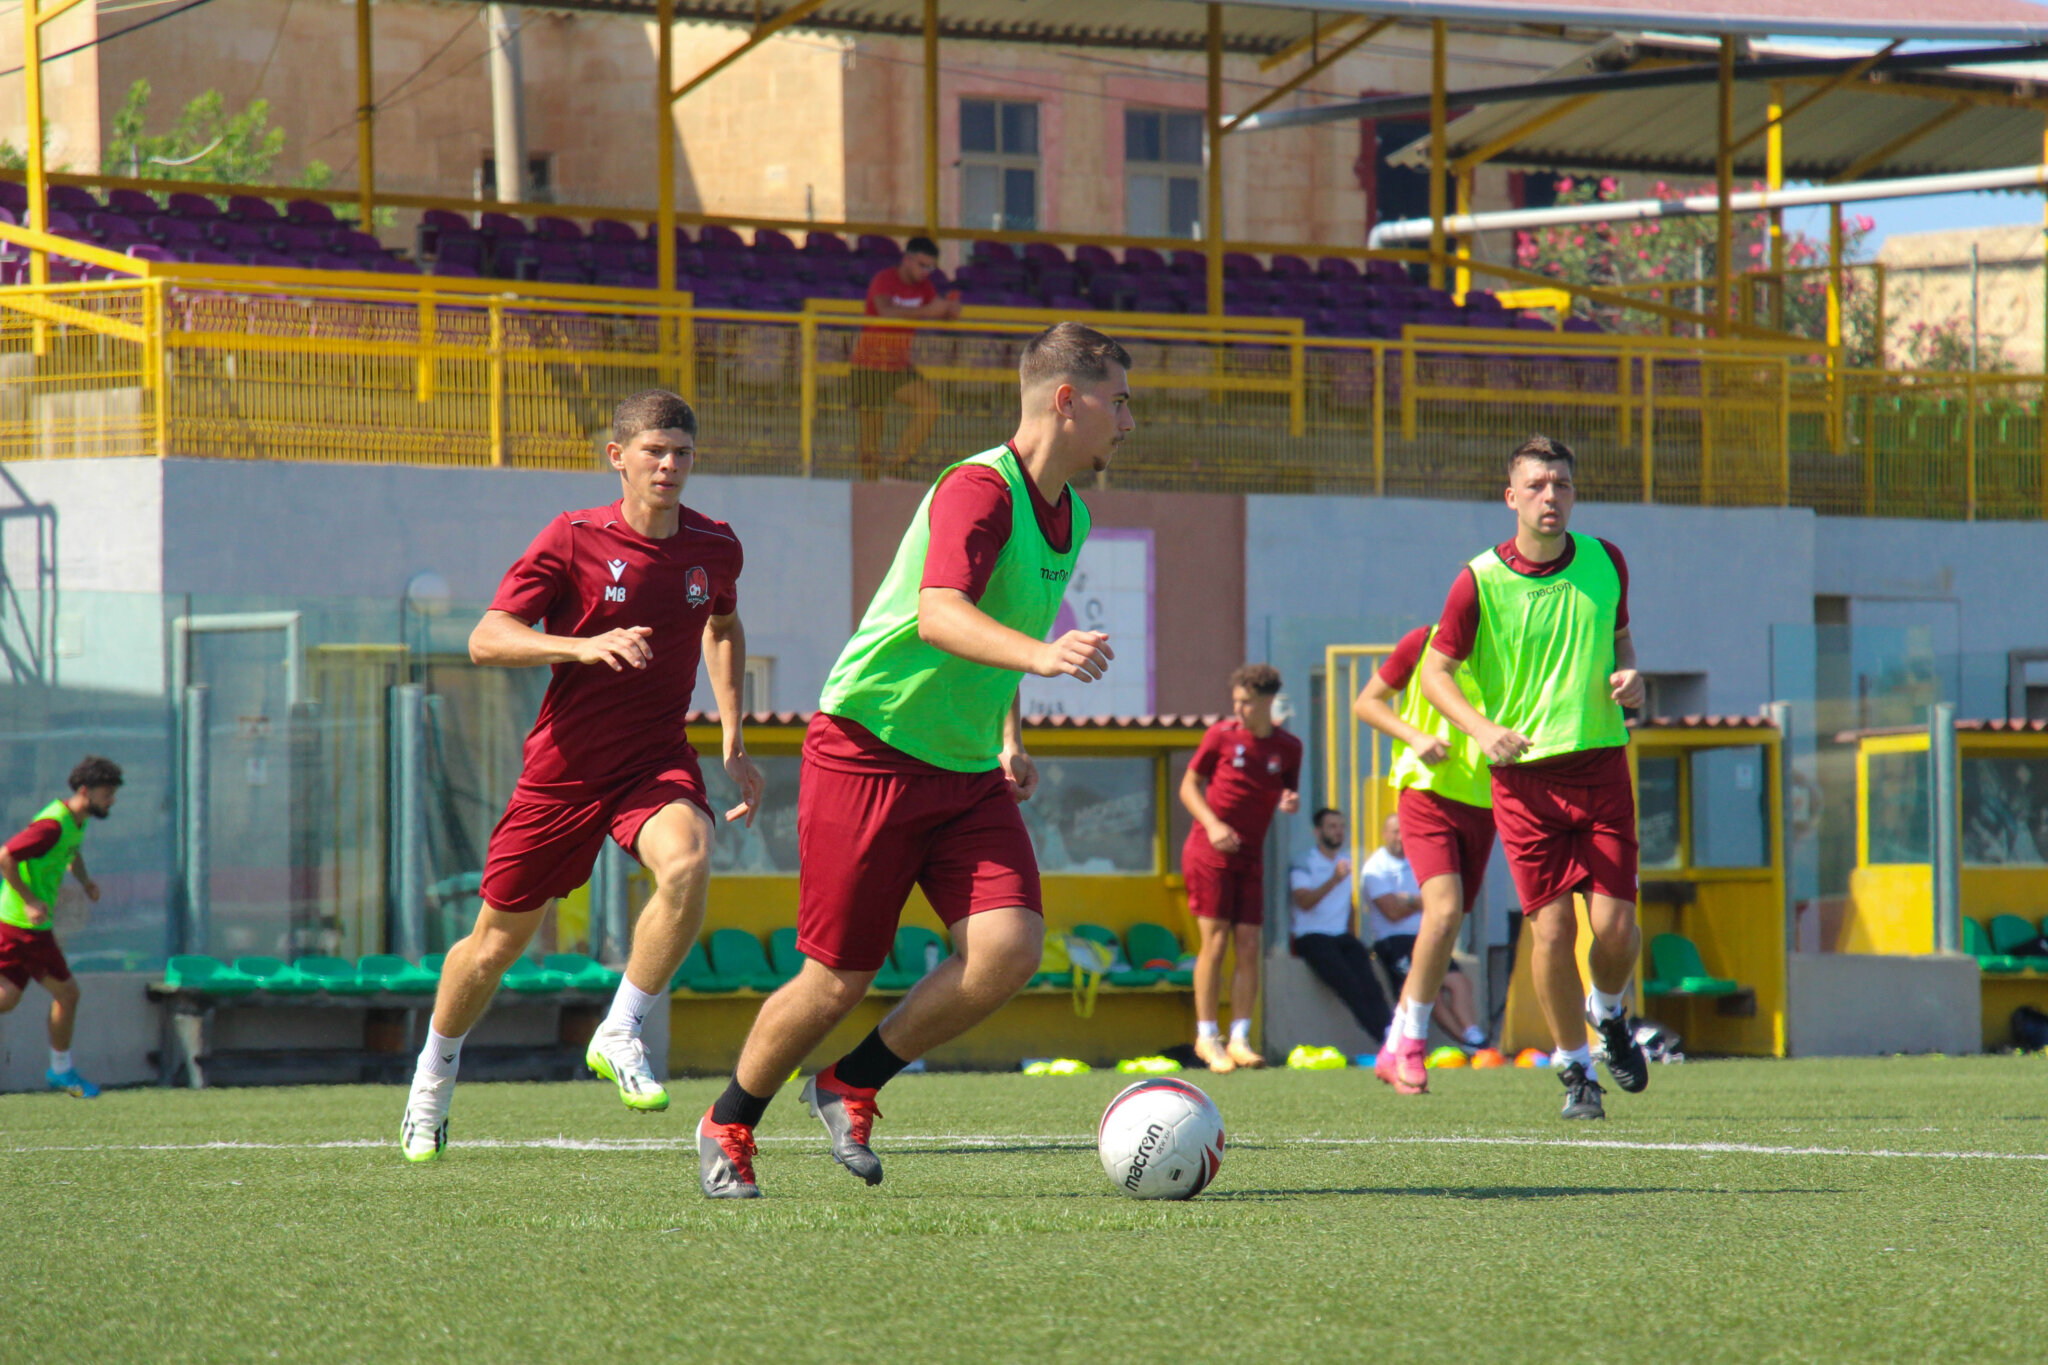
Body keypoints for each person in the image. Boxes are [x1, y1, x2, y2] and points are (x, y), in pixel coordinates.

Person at [698, 321, 1134, 1199]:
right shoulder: (978, 488)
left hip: (966, 770)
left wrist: (1011, 735)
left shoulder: (1074, 512)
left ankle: (852, 1081)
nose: (1129, 418)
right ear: (1066, 399)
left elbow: (1005, 625)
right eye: (1119, 399)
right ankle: (729, 1119)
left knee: (1008, 948)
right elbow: (941, 614)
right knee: (835, 979)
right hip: (868, 749)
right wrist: (1044, 659)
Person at [399, 390, 765, 1162]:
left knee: (691, 859)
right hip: (562, 771)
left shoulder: (715, 547)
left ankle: (620, 1027)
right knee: (494, 946)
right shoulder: (573, 538)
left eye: (683, 453)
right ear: (618, 457)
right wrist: (581, 646)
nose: (669, 465)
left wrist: (732, 735)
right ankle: (433, 1076)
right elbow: (486, 637)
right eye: (654, 451)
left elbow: (724, 627)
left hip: (653, 759)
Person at [1417, 434, 1648, 1121]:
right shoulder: (1478, 579)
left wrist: (1633, 677)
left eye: (1563, 485)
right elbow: (1435, 673)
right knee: (1549, 932)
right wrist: (1482, 731)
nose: (1552, 497)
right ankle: (1577, 1071)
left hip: (1601, 762)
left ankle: (1608, 1013)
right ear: (1511, 496)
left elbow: (1622, 640)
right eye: (1538, 485)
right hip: (1523, 781)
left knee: (1615, 929)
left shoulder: (1607, 561)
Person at [1351, 623, 1497, 1094]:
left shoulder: (1513, 650)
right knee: (1444, 912)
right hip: (1426, 792)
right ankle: (1412, 1044)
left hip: (1486, 801)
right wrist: (1414, 736)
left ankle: (1394, 1044)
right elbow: (1366, 702)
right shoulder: (1422, 640)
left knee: (1447, 925)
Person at [1179, 664, 1302, 1073]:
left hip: (1251, 855)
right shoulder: (1221, 735)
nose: (1239, 708)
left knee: (1248, 943)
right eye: (1236, 701)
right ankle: (1207, 1036)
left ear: (1267, 702)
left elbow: (1288, 791)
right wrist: (1213, 824)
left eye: (1246, 702)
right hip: (1209, 851)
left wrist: (1289, 802)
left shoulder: (1289, 747)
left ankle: (1240, 1039)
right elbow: (1188, 785)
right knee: (1214, 944)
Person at [0, 755, 120, 1098]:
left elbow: (71, 852)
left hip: (22, 925)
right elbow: (6, 856)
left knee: (6, 999)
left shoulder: (75, 822)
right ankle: (62, 1070)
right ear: (85, 791)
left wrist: (85, 881)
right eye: (107, 793)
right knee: (68, 993)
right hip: (22, 925)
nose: (111, 800)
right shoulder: (51, 825)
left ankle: (61, 1070)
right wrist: (28, 899)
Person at [1356, 812, 1486, 1055]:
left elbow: (1444, 902)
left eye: (1403, 831)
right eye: (1395, 832)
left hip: (1426, 935)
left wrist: (1412, 902)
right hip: (1394, 942)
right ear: (1384, 834)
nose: (1400, 837)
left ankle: (1474, 1035)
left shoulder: (1420, 861)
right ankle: (1470, 1046)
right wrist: (1426, 902)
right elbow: (1392, 912)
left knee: (1459, 982)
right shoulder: (1376, 867)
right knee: (1428, 990)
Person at [852, 236, 963, 479]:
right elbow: (885, 312)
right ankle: (870, 487)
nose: (926, 272)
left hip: (898, 366)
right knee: (872, 432)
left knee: (929, 406)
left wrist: (950, 310)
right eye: (922, 265)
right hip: (869, 365)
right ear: (907, 260)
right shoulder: (884, 280)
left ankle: (896, 467)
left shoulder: (925, 287)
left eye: (931, 267)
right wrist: (928, 312)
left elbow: (939, 311)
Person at [1287, 806, 1392, 1043]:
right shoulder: (1305, 862)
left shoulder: (1347, 861)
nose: (1338, 832)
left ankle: (1393, 1036)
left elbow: (1349, 905)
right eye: (1332, 827)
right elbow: (1303, 901)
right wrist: (1334, 879)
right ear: (1317, 832)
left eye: (1342, 827)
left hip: (1340, 936)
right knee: (1350, 986)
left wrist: (1352, 935)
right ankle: (1383, 1040)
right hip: (1311, 936)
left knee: (1371, 984)